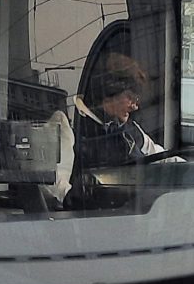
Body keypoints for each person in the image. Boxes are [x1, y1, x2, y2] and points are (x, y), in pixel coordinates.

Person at [69, 54, 162, 202]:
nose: (135, 106)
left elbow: (159, 156)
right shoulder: (83, 133)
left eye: (138, 100)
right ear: (113, 91)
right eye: (132, 98)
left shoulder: (131, 129)